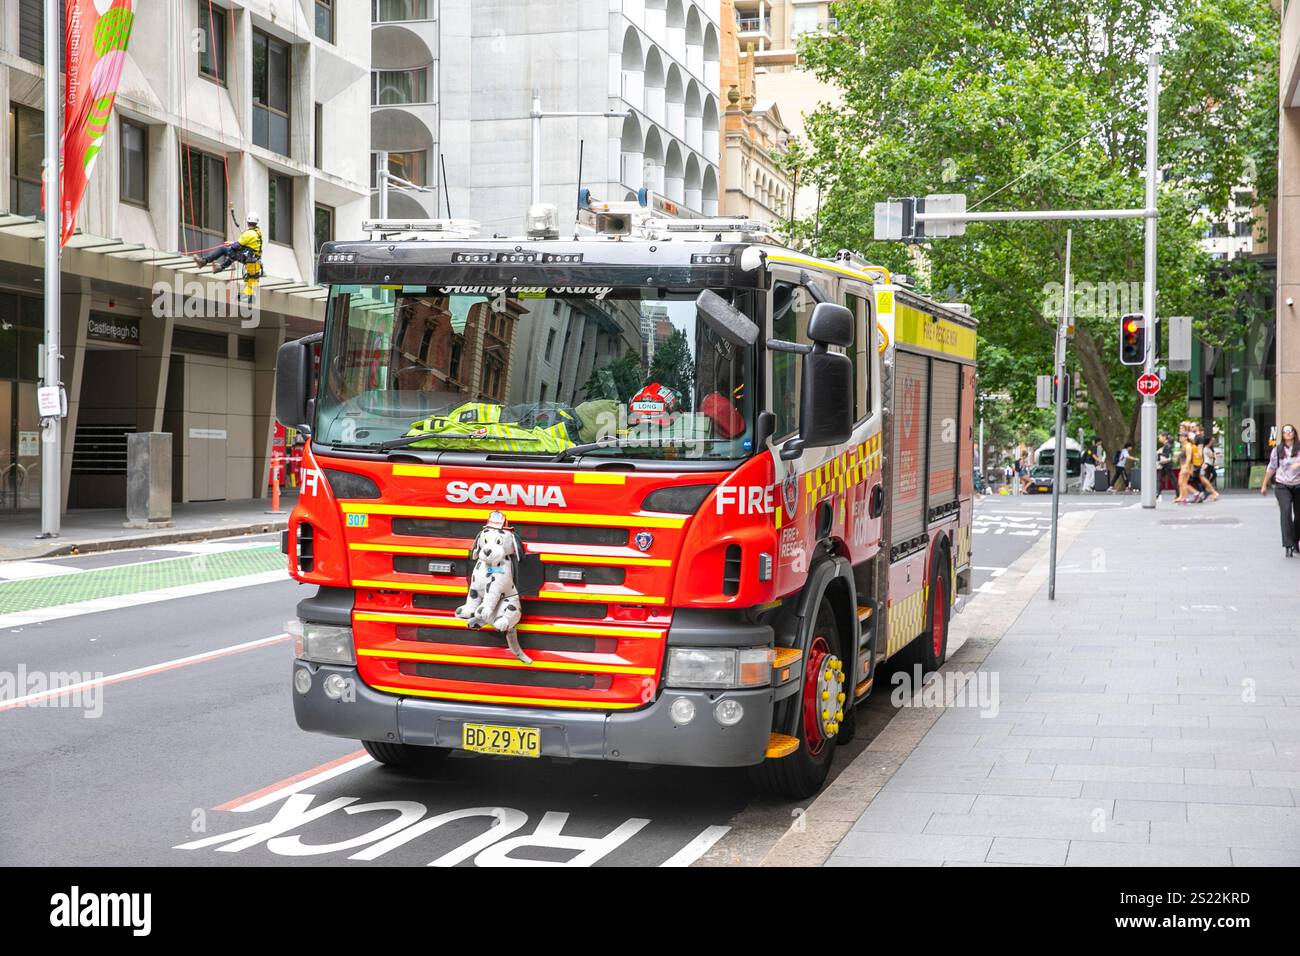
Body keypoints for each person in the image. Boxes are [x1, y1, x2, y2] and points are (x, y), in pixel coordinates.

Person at [1261, 423, 1300, 557]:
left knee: (1299, 516)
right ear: (1282, 435)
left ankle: (1296, 541)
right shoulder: (1278, 450)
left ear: (1294, 434)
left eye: (1290, 431)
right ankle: (1288, 544)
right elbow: (1271, 467)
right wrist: (1264, 484)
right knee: (1286, 511)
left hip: (1298, 485)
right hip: (1282, 486)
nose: (1288, 433)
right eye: (1285, 432)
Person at [195, 211, 262, 275]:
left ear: (247, 222)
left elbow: (235, 246)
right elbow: (247, 245)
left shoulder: (249, 233)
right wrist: (232, 243)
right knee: (234, 252)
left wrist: (231, 244)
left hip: (247, 257)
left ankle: (204, 261)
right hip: (253, 257)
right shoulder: (258, 233)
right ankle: (220, 267)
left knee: (225, 250)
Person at [1157, 431, 1175, 496]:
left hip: (1167, 464)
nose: (1159, 438)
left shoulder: (1167, 445)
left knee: (1172, 479)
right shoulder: (1167, 445)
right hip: (1165, 464)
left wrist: (1159, 453)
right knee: (1159, 478)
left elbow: (1167, 455)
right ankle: (1158, 493)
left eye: (1160, 437)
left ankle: (1179, 493)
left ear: (1164, 437)